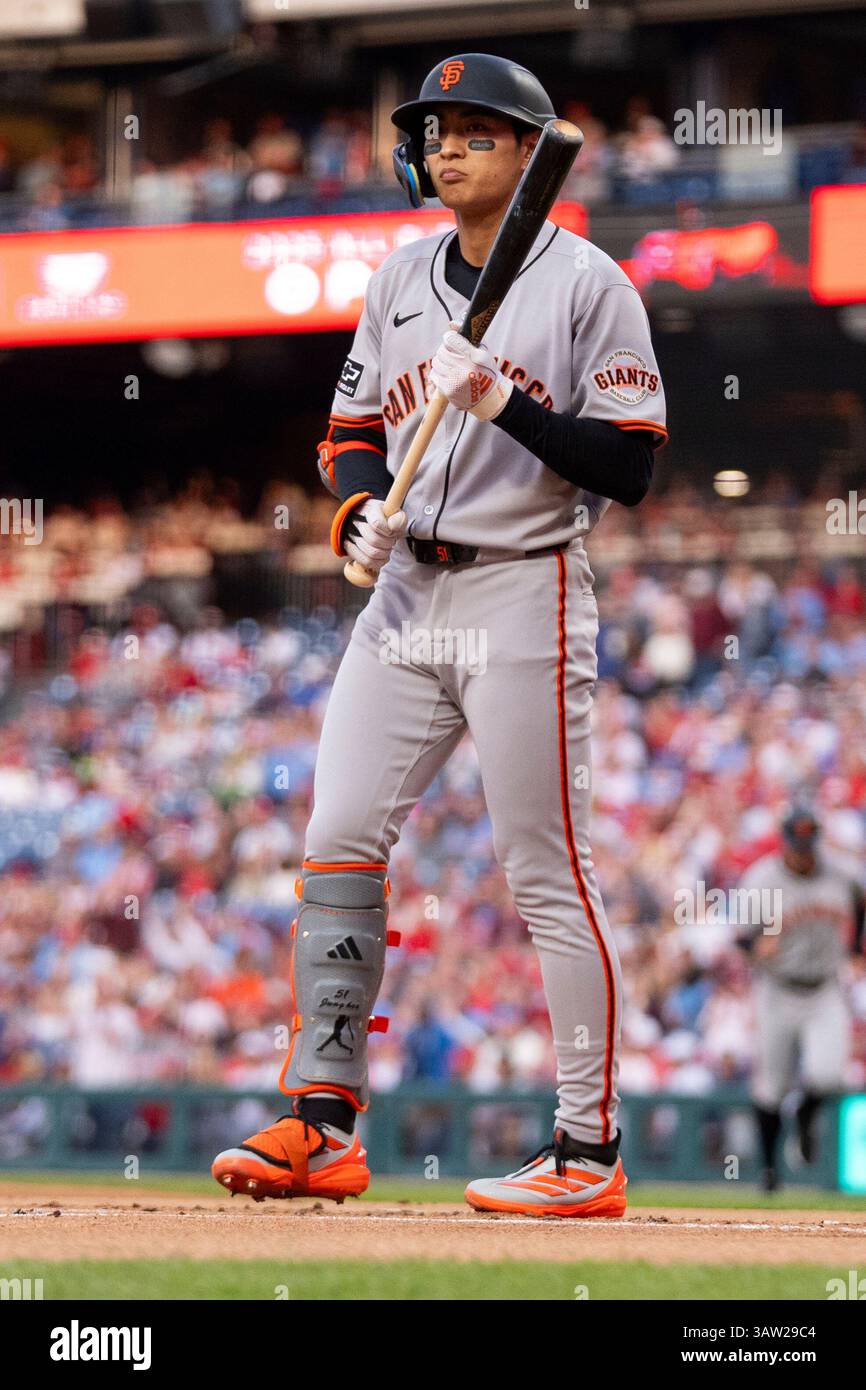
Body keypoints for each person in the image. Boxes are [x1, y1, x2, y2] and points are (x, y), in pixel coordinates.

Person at [213, 52, 667, 1218]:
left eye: (477, 128)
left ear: (529, 152)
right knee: (336, 834)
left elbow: (630, 463)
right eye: (437, 129)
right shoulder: (400, 277)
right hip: (407, 596)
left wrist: (502, 402)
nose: (450, 145)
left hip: (525, 583)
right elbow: (348, 431)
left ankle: (584, 1145)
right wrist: (356, 510)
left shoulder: (588, 283)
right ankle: (319, 1120)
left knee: (543, 870)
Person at [737, 807, 865, 1192]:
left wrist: (857, 946)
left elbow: (861, 904)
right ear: (784, 842)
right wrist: (760, 947)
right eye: (797, 845)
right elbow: (743, 938)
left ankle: (807, 1115)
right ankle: (769, 1172)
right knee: (771, 1086)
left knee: (829, 1075)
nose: (804, 854)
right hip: (776, 988)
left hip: (825, 986)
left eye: (809, 845)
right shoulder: (761, 879)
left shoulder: (842, 873)